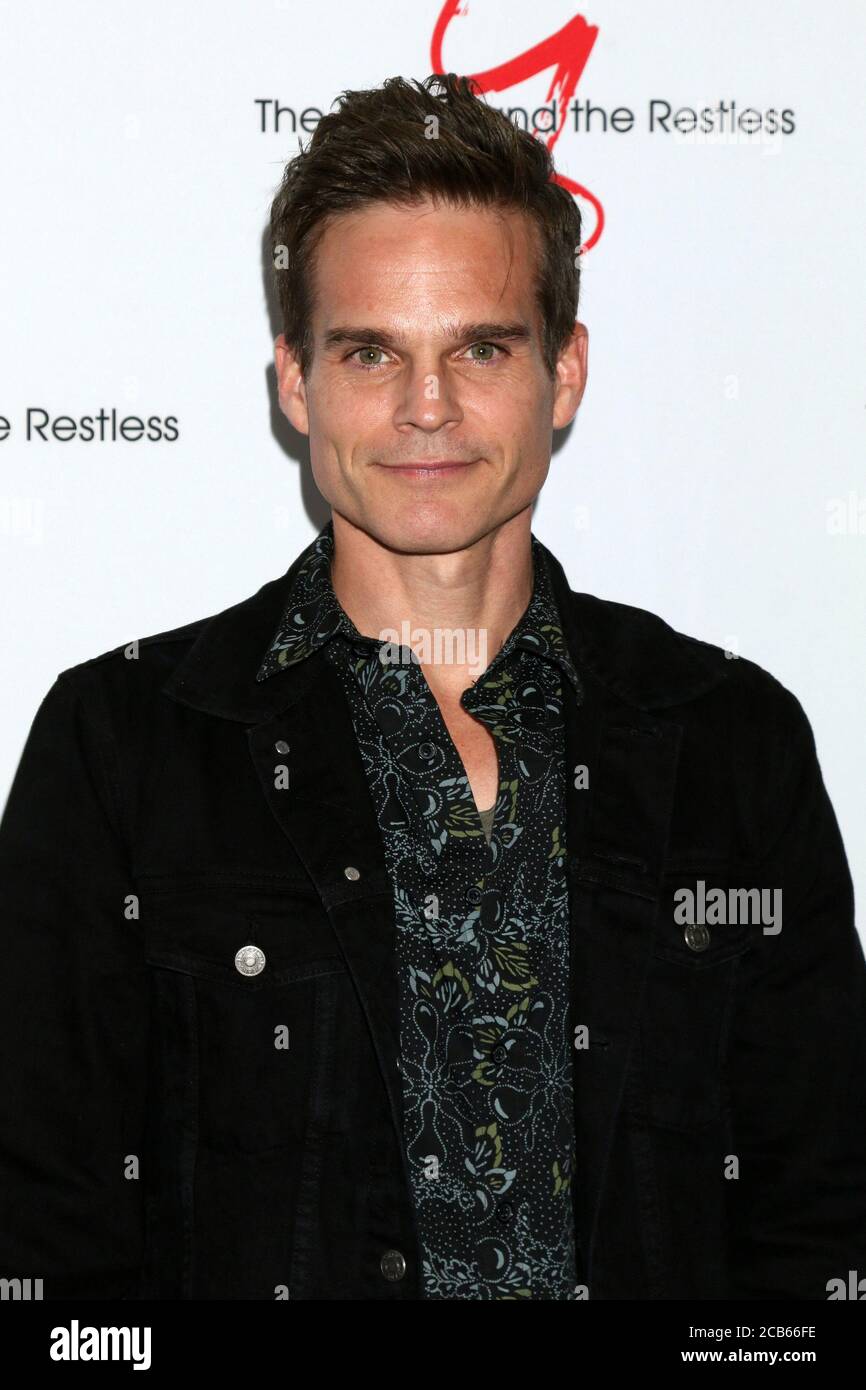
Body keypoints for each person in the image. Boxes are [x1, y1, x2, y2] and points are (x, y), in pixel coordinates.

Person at [0, 72, 864, 1302]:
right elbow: (49, 1227)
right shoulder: (122, 745)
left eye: (480, 346)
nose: (426, 407)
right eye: (369, 351)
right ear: (295, 384)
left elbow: (815, 1210)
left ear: (561, 373)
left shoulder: (730, 741)